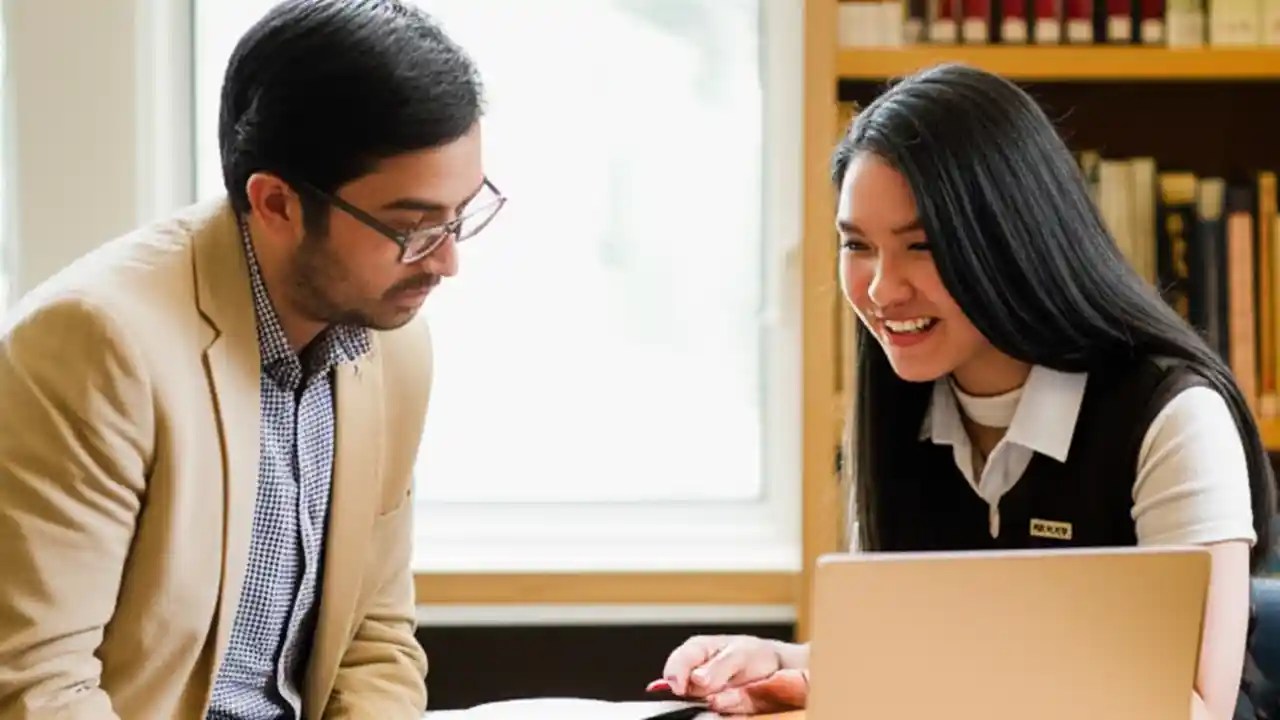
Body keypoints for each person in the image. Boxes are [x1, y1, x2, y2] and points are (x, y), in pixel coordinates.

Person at [658, 63, 1276, 719]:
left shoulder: (1172, 416)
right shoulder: (901, 405)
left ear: (1012, 240)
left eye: (921, 246)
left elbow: (1195, 708)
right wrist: (784, 661)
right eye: (857, 245)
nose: (881, 288)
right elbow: (917, 652)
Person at [0, 1, 503, 718]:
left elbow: (374, 640)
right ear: (275, 204)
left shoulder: (392, 341)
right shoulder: (98, 345)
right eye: (412, 228)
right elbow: (37, 688)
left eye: (460, 216)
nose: (447, 262)